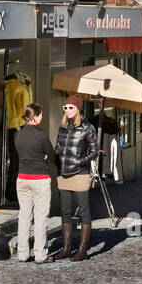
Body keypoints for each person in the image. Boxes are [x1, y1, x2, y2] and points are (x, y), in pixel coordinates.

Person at [54, 95, 100, 261]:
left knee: (84, 212)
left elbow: (94, 152)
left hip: (80, 173)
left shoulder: (87, 127)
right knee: (65, 212)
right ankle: (66, 248)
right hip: (64, 174)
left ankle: (82, 250)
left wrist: (78, 162)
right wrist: (56, 161)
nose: (67, 110)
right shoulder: (62, 127)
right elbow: (58, 147)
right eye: (65, 108)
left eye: (71, 107)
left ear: (78, 109)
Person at [13, 103, 56, 263]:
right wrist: (44, 157)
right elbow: (51, 155)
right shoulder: (41, 136)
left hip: (22, 178)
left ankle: (22, 254)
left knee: (24, 216)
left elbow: (22, 154)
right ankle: (40, 254)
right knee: (40, 218)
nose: (42, 117)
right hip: (39, 179)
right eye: (41, 115)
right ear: (35, 117)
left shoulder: (17, 135)